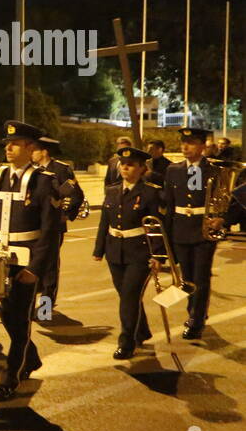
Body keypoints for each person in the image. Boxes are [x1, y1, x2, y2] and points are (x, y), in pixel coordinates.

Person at [0, 121, 59, 402]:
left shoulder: (44, 181)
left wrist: (34, 269)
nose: (8, 148)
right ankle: (31, 356)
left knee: (20, 320)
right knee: (8, 317)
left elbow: (49, 232)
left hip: (25, 263)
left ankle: (9, 379)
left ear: (31, 147)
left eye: (14, 144)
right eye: (7, 144)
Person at [92, 146, 161, 359]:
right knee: (126, 295)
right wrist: (99, 249)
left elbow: (157, 226)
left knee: (129, 297)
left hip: (139, 253)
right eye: (123, 164)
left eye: (130, 165)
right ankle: (141, 331)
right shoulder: (112, 190)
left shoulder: (150, 192)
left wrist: (158, 256)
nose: (125, 168)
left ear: (142, 168)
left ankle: (126, 341)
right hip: (115, 251)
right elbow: (105, 222)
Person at [161, 127, 222, 340]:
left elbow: (227, 200)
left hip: (203, 230)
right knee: (187, 278)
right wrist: (165, 238)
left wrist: (221, 220)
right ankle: (194, 312)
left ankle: (196, 321)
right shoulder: (173, 170)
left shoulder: (214, 170)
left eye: (191, 143)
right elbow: (168, 205)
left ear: (203, 146)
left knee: (201, 277)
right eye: (183, 143)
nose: (185, 147)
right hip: (180, 229)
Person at [32, 135, 79, 318]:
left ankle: (45, 310)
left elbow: (75, 195)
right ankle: (30, 306)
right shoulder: (32, 171)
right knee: (34, 267)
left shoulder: (61, 169)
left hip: (53, 228)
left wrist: (64, 214)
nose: (32, 153)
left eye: (34, 150)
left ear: (44, 152)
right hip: (34, 227)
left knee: (50, 268)